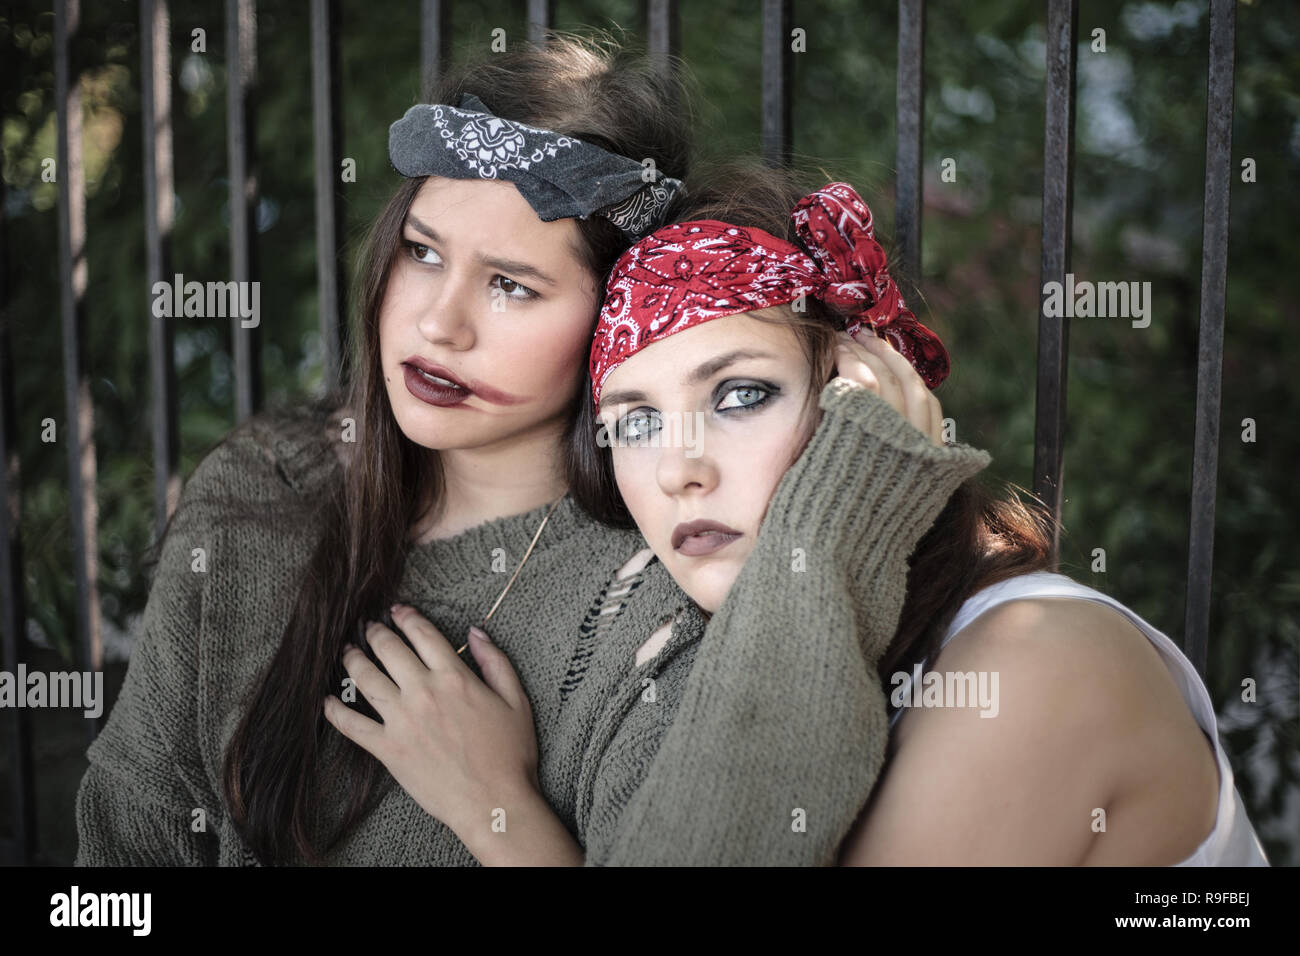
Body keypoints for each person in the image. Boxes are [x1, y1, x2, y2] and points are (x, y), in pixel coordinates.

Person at [74, 35, 979, 867]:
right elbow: (125, 843)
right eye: (424, 253)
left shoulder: (668, 578)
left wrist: (498, 807)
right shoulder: (264, 484)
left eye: (512, 285)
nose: (437, 322)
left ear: (614, 321)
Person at [346, 160, 1267, 866]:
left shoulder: (1033, 662)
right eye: (635, 421)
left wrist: (495, 812)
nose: (681, 471)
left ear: (868, 396)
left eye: (742, 395)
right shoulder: (779, 651)